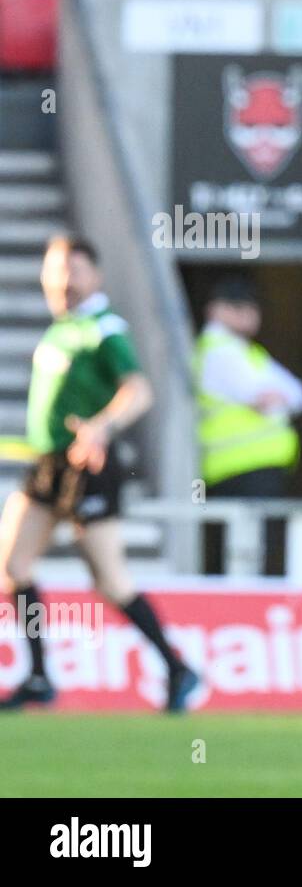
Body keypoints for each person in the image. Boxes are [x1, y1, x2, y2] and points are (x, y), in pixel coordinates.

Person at [0, 236, 199, 711]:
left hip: (88, 467)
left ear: (95, 276)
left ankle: (177, 668)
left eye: (72, 270)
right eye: (54, 270)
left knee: (110, 582)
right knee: (12, 568)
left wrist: (100, 427)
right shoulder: (63, 329)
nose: (61, 280)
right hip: (48, 464)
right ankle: (40, 678)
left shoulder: (103, 329)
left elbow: (139, 391)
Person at [193, 278, 302, 576]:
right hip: (238, 471)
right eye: (238, 307)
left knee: (253, 552)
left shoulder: (247, 352)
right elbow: (261, 397)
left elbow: (297, 393)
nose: (248, 315)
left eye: (250, 307)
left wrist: (276, 398)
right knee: (244, 556)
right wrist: (273, 398)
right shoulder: (219, 350)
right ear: (216, 310)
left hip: (254, 470)